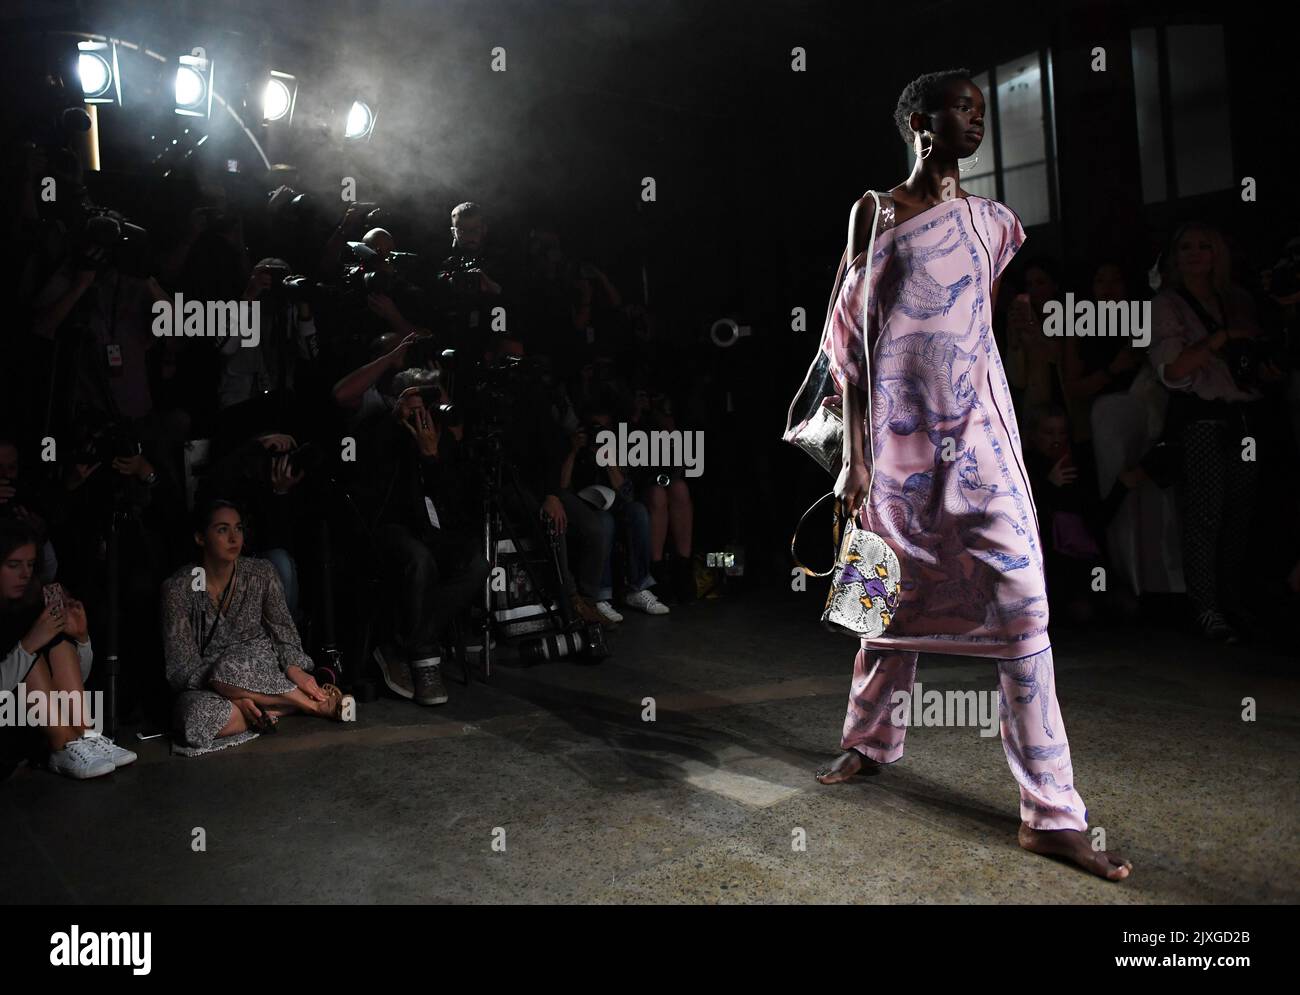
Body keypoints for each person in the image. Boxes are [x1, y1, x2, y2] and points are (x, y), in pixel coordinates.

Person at [804, 68, 1131, 880]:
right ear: (921, 121)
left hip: (981, 442)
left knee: (1024, 606)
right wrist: (854, 455)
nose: (977, 118)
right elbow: (852, 337)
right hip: (894, 447)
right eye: (963, 107)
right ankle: (868, 741)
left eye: (982, 108)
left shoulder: (992, 222)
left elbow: (970, 332)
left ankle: (1051, 812)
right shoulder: (876, 211)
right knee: (887, 593)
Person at [1149, 222, 1286, 642]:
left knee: (1241, 515)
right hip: (1201, 418)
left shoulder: (1239, 299)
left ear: (1218, 254)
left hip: (1245, 415)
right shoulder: (1167, 304)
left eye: (1204, 246)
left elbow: (1256, 355)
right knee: (1205, 516)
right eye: (1185, 247)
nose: (1194, 254)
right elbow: (1172, 369)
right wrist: (1220, 339)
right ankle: (1207, 608)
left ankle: (1233, 600)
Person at [160, 499, 354, 756]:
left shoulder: (261, 573)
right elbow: (179, 669)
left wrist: (294, 668)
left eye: (238, 528)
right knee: (194, 720)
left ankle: (312, 706)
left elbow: (283, 631)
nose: (233, 537)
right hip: (208, 683)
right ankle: (272, 707)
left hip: (258, 667)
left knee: (229, 667)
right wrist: (229, 693)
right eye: (222, 529)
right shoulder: (178, 589)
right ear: (200, 537)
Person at [0, 520, 136, 778]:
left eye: (30, 565)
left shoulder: (24, 608)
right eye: (13, 565)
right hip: (9, 724)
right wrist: (28, 646)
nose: (24, 574)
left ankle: (85, 734)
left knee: (55, 638)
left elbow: (67, 685)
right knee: (30, 646)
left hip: (30, 720)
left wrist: (81, 639)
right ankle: (63, 743)